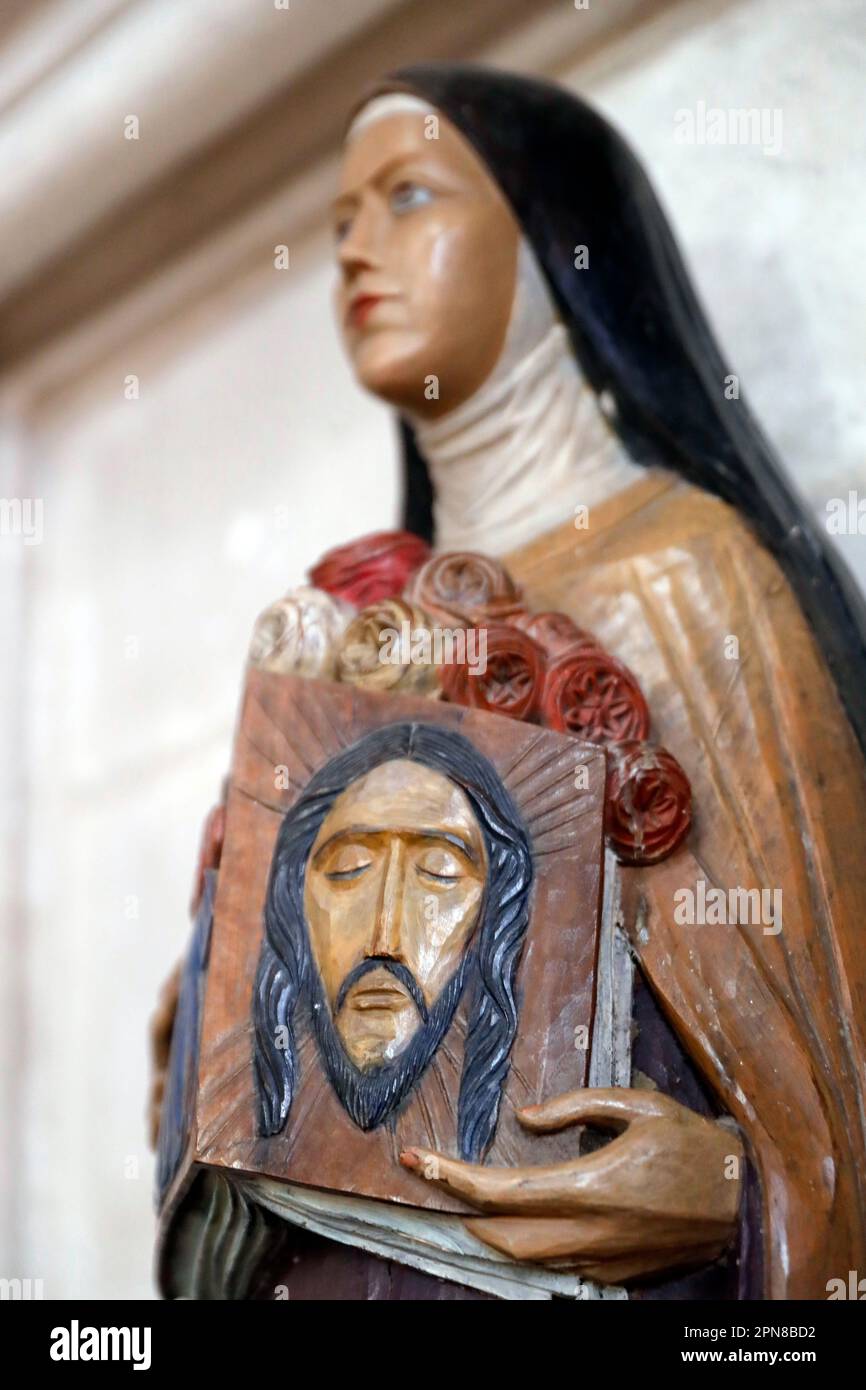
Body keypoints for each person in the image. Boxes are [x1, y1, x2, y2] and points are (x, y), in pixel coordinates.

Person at [154, 65, 866, 1300]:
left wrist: (733, 1194)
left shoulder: (683, 577)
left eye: (407, 197)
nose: (355, 252)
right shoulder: (351, 632)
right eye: (335, 227)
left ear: (551, 251)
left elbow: (829, 1083)